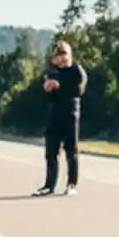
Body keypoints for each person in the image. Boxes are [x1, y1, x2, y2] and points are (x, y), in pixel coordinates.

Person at [34, 40, 87, 196]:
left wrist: (59, 86)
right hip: (54, 114)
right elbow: (44, 94)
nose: (61, 58)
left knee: (71, 151)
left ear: (70, 55)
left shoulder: (77, 70)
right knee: (51, 151)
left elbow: (78, 90)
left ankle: (72, 184)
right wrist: (47, 88)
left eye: (64, 54)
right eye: (58, 55)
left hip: (70, 114)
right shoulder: (51, 73)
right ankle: (49, 185)